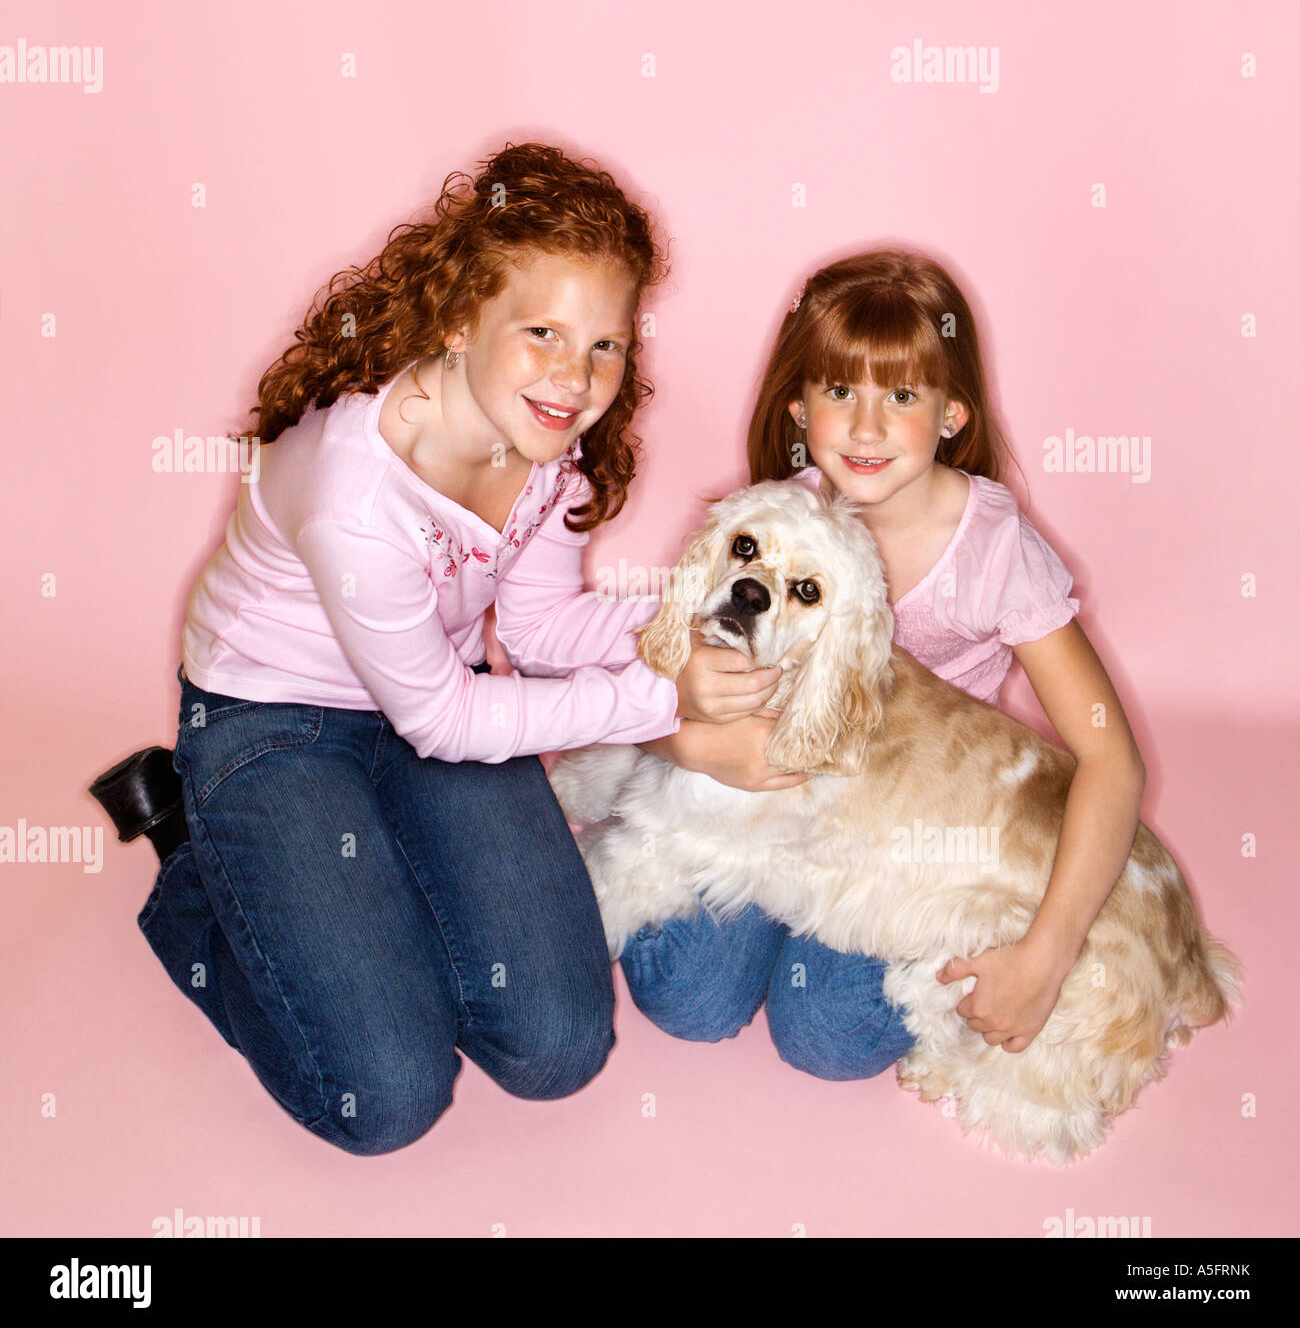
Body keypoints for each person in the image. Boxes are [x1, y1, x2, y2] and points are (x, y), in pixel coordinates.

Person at [89, 141, 777, 1155]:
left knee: (558, 1047)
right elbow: (447, 721)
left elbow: (540, 630)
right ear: (460, 320)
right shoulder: (355, 492)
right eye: (541, 333)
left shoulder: (548, 441)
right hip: (274, 722)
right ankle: (196, 869)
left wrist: (698, 630)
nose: (576, 377)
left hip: (434, 701)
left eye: (605, 345)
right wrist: (670, 700)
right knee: (386, 1096)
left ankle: (362, 898)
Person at [625, 248, 1148, 1077]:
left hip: (899, 833)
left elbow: (1111, 760)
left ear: (952, 414)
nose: (866, 428)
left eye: (901, 396)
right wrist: (686, 741)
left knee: (827, 1037)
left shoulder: (995, 553)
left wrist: (1046, 954)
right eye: (840, 391)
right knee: (688, 996)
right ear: (798, 407)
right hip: (764, 794)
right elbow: (651, 673)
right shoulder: (775, 523)